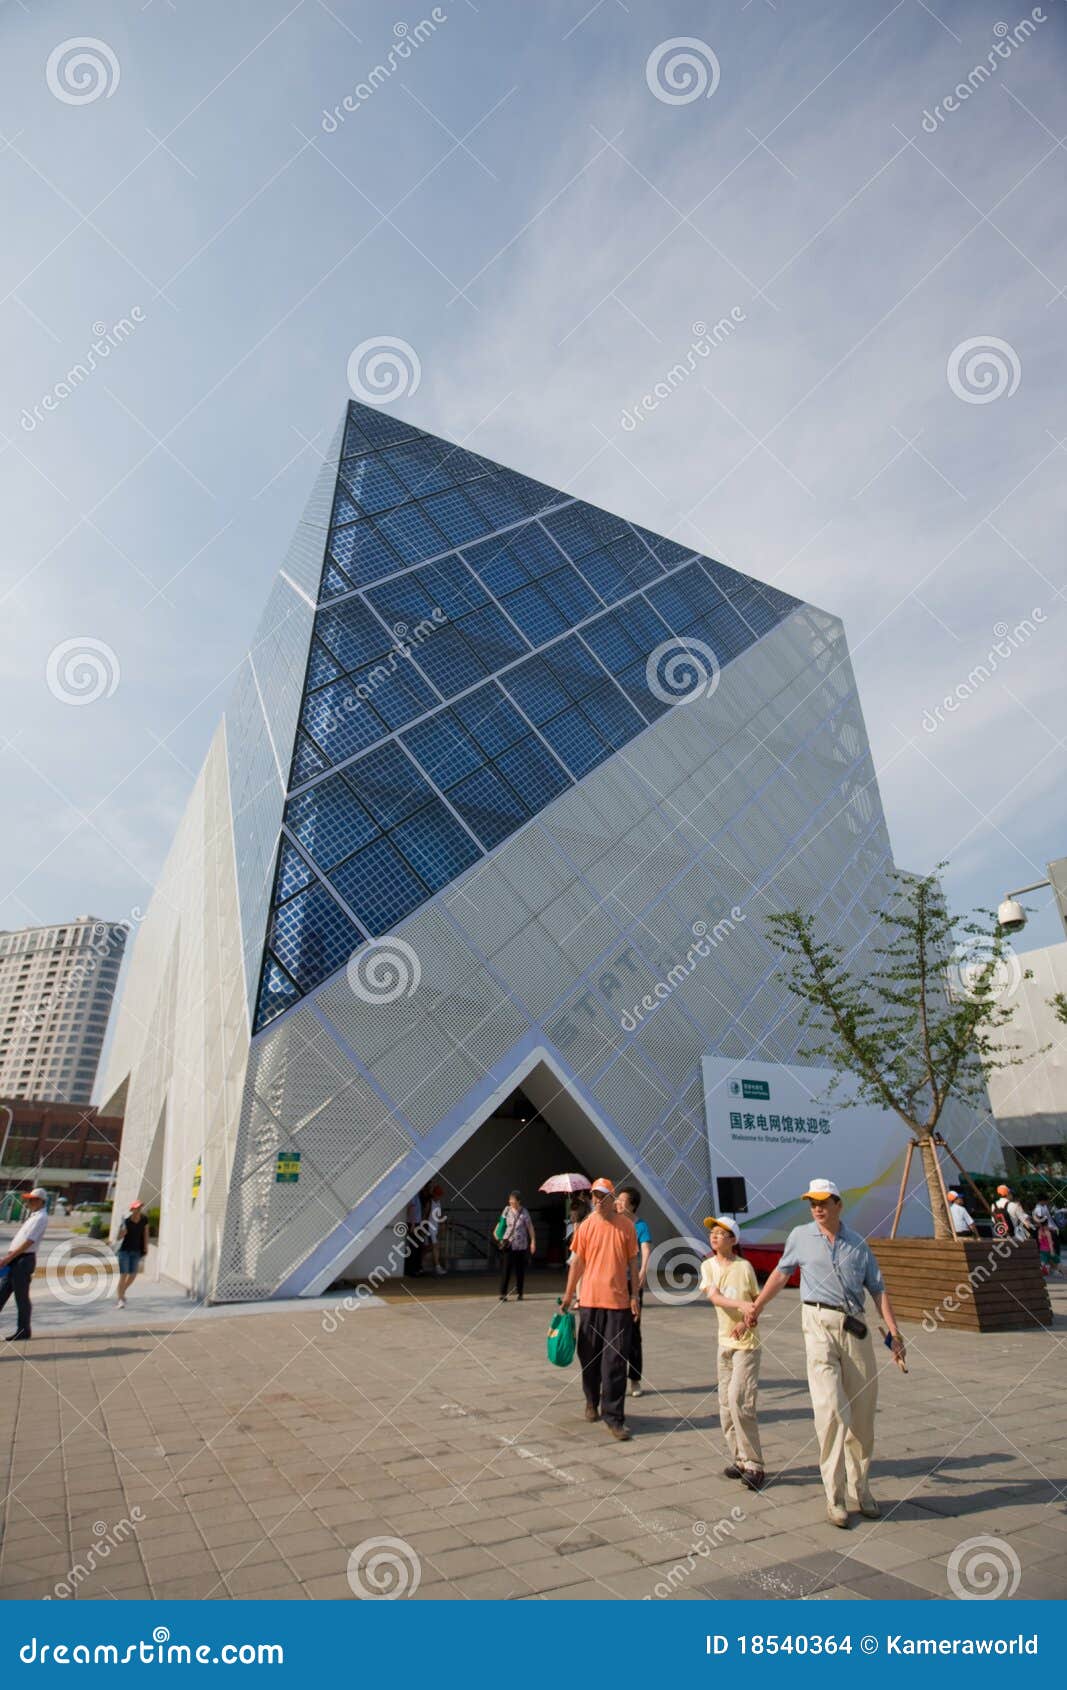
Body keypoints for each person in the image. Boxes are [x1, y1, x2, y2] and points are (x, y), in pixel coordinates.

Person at [745, 1178, 904, 1528]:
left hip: (856, 1328)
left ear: (838, 1204)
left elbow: (878, 1290)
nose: (816, 1208)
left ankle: (861, 1489)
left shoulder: (858, 1244)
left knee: (862, 1415)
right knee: (831, 1410)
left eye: (823, 1202)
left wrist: (893, 1333)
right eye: (811, 1203)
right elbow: (780, 1274)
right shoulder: (800, 1237)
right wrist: (756, 1306)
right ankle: (834, 1496)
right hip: (816, 1322)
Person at [559, 1177, 640, 1441]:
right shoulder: (585, 1227)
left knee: (615, 1360)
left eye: (601, 1196)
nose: (596, 1200)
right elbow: (577, 1264)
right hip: (590, 1303)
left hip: (617, 1304)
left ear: (611, 1198)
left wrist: (635, 1295)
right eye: (593, 1196)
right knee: (589, 1357)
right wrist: (568, 1295)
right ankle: (591, 1401)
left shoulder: (626, 1227)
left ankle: (614, 1418)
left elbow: (633, 1265)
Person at [700, 1215, 764, 1491]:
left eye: (721, 1233)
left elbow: (756, 1302)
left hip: (746, 1345)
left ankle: (755, 1464)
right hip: (724, 1343)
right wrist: (742, 1306)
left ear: (733, 1240)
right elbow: (714, 1297)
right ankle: (738, 1457)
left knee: (741, 1401)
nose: (714, 1236)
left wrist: (745, 1319)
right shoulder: (708, 1266)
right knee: (725, 1404)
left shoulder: (745, 1267)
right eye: (712, 1233)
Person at [0, 1188, 49, 1342]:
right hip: (16, 1259)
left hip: (23, 1260)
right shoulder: (34, 1216)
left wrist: (8, 1258)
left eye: (32, 1199)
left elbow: (29, 1242)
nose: (28, 1202)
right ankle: (23, 1330)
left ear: (41, 1201)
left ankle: (23, 1330)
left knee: (21, 1297)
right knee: (2, 1292)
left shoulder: (41, 1217)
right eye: (28, 1199)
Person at [615, 1187, 651, 1397]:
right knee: (614, 1330)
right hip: (614, 1283)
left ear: (632, 1205)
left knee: (634, 1331)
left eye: (622, 1201)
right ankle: (614, 1377)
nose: (618, 1203)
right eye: (617, 1200)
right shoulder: (613, 1222)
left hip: (632, 1283)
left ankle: (635, 1379)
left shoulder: (640, 1225)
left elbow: (646, 1248)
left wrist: (643, 1270)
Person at [498, 1191, 535, 1302]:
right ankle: (503, 1293)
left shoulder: (524, 1212)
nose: (510, 1201)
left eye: (512, 1200)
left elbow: (530, 1227)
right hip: (508, 1244)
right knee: (506, 1270)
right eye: (510, 1199)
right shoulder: (506, 1210)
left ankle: (520, 1293)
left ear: (518, 1201)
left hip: (521, 1246)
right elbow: (501, 1225)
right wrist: (500, 1238)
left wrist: (533, 1241)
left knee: (520, 1271)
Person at [114, 1199, 149, 1307]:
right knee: (123, 1275)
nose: (139, 1210)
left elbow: (146, 1234)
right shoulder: (126, 1222)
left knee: (133, 1275)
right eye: (136, 1208)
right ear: (132, 1209)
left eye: (140, 1207)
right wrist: (122, 1233)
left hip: (136, 1251)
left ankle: (122, 1291)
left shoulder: (144, 1219)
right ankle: (120, 1300)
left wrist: (146, 1247)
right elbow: (118, 1237)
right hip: (124, 1251)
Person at [426, 1185, 446, 1276]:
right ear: (434, 1194)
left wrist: (442, 1224)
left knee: (430, 1248)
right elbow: (425, 1215)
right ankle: (437, 1266)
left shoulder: (438, 1203)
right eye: (438, 1194)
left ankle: (420, 1262)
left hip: (436, 1227)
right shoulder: (430, 1203)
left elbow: (439, 1215)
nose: (439, 1196)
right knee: (435, 1247)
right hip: (429, 1228)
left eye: (440, 1195)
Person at [404, 1190, 424, 1277]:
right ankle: (411, 1270)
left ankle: (415, 1268)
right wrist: (412, 1224)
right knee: (413, 1247)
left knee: (416, 1246)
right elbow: (411, 1208)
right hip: (414, 1223)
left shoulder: (417, 1194)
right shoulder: (414, 1194)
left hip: (416, 1223)